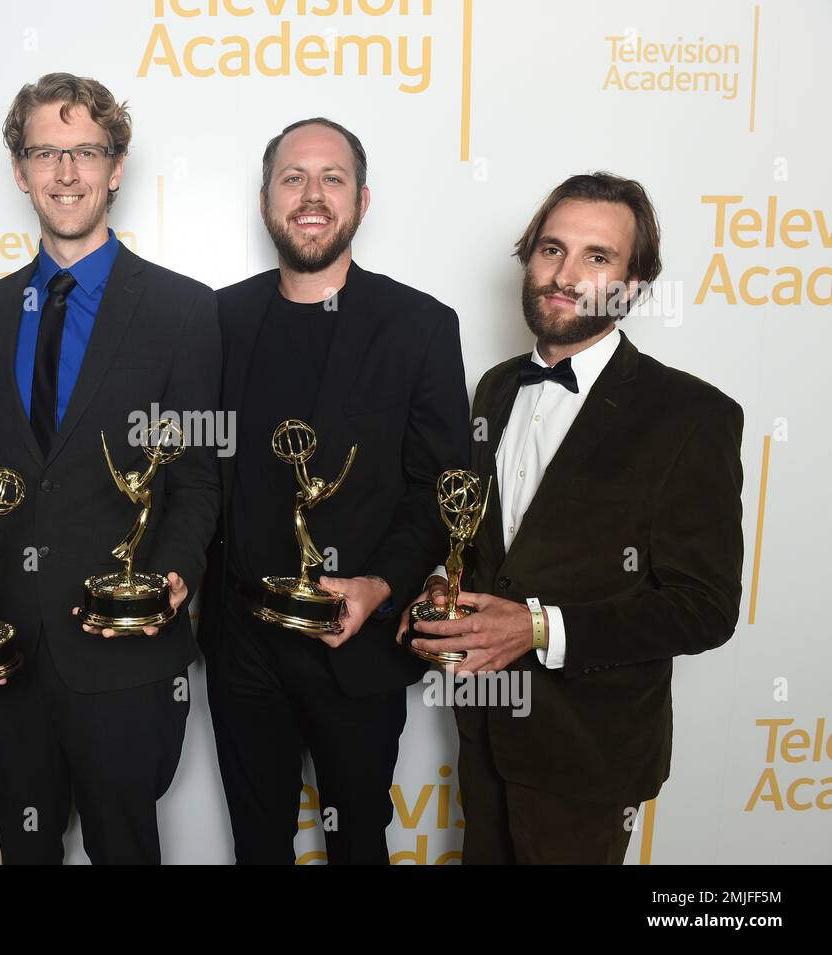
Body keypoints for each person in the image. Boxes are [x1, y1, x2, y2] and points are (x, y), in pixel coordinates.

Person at [0, 73, 221, 865]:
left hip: (124, 647)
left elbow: (194, 476)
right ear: (19, 170)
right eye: (45, 152)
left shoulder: (183, 309)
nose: (65, 172)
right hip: (8, 648)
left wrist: (176, 573)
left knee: (126, 848)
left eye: (85, 150)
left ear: (115, 166)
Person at [403, 171, 744, 864]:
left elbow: (704, 608)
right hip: (484, 733)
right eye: (552, 249)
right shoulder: (496, 387)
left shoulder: (691, 416)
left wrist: (535, 627)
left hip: (590, 755)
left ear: (635, 282)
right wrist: (442, 586)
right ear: (528, 258)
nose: (564, 274)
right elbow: (487, 541)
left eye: (598, 257)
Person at [199, 118, 470, 864]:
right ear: (265, 202)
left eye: (332, 178)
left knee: (357, 844)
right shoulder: (217, 320)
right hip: (241, 642)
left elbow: (441, 488)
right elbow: (193, 473)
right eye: (293, 177)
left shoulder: (420, 326)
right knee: (258, 844)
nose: (311, 195)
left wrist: (380, 584)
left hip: (357, 643)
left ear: (362, 199)